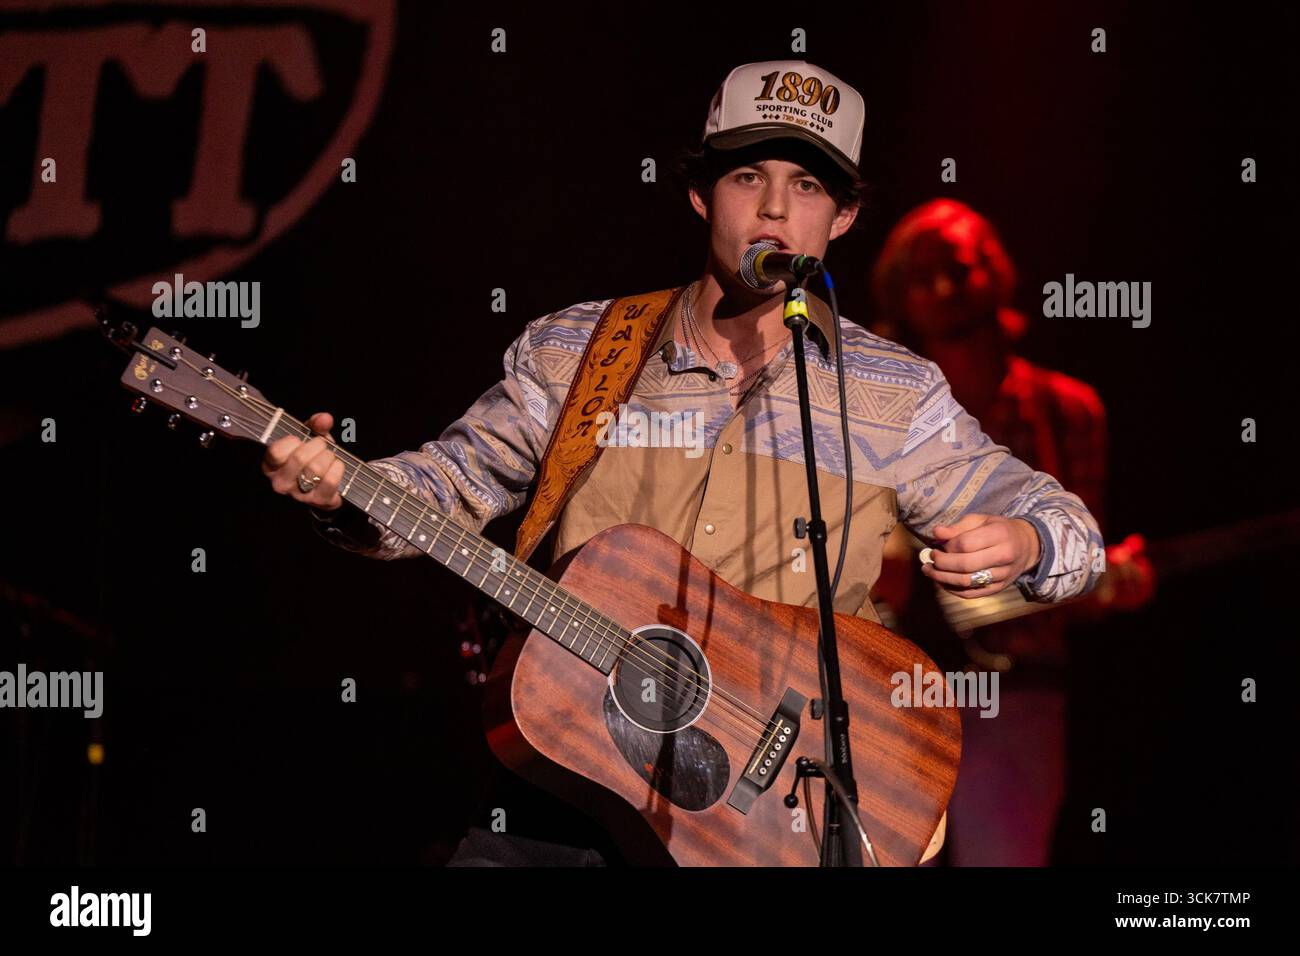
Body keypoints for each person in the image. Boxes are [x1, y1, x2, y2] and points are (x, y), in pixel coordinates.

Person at [259, 62, 1106, 865]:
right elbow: (447, 484)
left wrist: (1029, 543)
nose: (776, 206)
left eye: (808, 185)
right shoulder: (578, 351)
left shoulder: (893, 391)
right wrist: (343, 491)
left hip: (767, 819)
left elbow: (1073, 532)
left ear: (843, 218)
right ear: (702, 194)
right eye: (749, 177)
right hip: (572, 777)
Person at [869, 198, 1155, 866]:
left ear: (997, 275)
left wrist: (1105, 581)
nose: (944, 287)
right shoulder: (878, 414)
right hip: (888, 689)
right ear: (898, 296)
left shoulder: (1067, 411)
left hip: (1015, 695)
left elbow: (1073, 577)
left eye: (960, 267)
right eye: (923, 274)